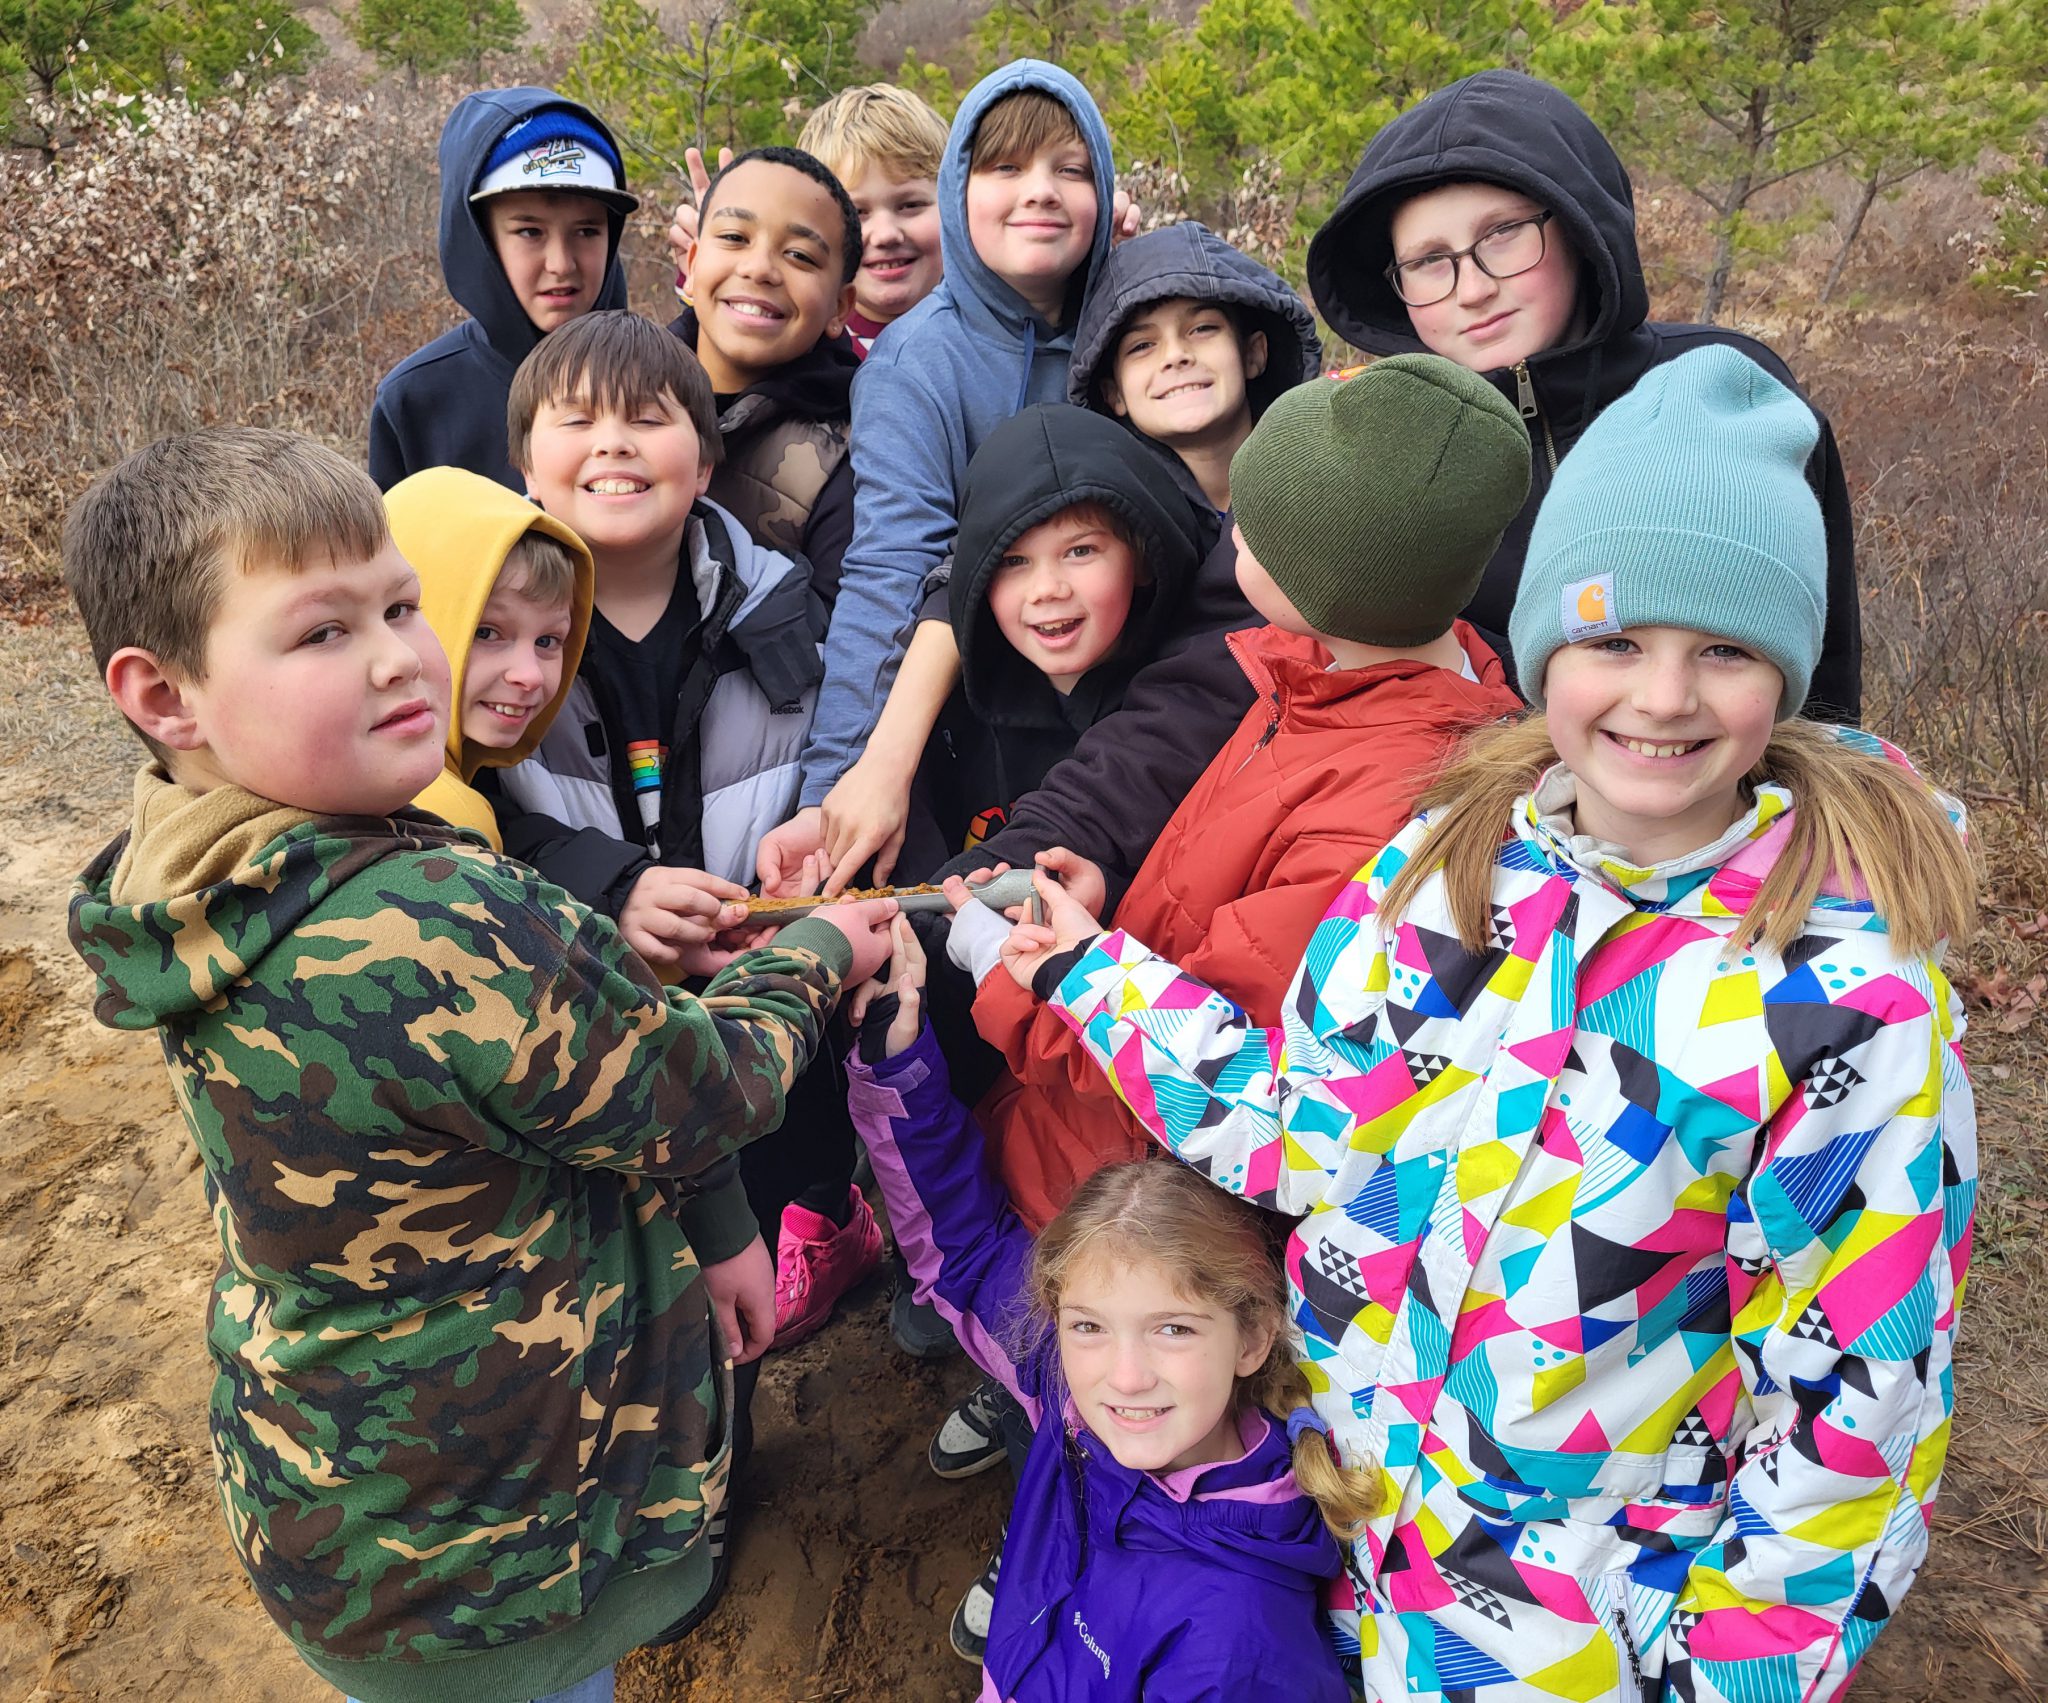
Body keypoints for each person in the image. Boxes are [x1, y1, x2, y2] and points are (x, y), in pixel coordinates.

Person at [1014, 347, 1977, 1701]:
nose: (1660, 696)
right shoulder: (1450, 862)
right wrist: (1092, 973)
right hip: (1353, 1519)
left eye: (1725, 649)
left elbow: (1856, 1385)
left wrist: (1727, 1673)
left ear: (1790, 669)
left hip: (1585, 1624)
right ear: (1541, 644)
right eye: (1612, 639)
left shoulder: (1841, 996)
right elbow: (1312, 1129)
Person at [59, 426, 897, 1703]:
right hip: (503, 1542)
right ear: (163, 693)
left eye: (399, 603)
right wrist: (816, 951)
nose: (404, 654)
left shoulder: (195, 873)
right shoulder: (431, 916)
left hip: (338, 1493)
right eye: (322, 631)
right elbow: (696, 1083)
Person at [846, 919, 1365, 1701]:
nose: (1124, 1375)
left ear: (1254, 1334)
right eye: (1088, 1323)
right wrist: (896, 1065)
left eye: (1173, 1328)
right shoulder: (1075, 1394)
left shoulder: (1236, 1649)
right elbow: (972, 1246)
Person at [1306, 68, 1861, 713]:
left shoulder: (1721, 390)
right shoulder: (1384, 441)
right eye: (1429, 260)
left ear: (1577, 226)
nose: (1473, 287)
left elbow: (1818, 651)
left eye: (1501, 234)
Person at [808, 220, 1321, 899]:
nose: (1174, 357)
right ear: (1110, 390)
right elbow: (957, 578)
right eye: (1142, 346)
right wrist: (881, 764)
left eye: (1201, 331)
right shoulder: (1095, 511)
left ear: (1254, 352)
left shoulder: (1321, 490)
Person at [770, 59, 1121, 863]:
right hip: (984, 728)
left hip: (1136, 708)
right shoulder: (915, 363)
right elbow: (891, 567)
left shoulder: (1133, 320)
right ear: (967, 190)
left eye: (1070, 169)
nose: (1039, 189)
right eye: (1004, 168)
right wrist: (836, 789)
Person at [369, 90, 636, 493]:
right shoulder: (416, 401)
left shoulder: (655, 377)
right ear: (480, 241)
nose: (561, 263)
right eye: (530, 232)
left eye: (586, 231)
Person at [671, 146, 863, 607]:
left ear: (840, 307)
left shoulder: (852, 459)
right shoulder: (612, 393)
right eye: (735, 237)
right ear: (692, 267)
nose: (759, 269)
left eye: (799, 255)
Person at [384, 465, 592, 850]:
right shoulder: (451, 819)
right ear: (399, 615)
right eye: (485, 632)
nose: (529, 676)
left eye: (548, 640)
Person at [799, 84, 951, 356]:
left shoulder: (994, 335)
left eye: (911, 205)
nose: (885, 235)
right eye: (856, 212)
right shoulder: (798, 345)